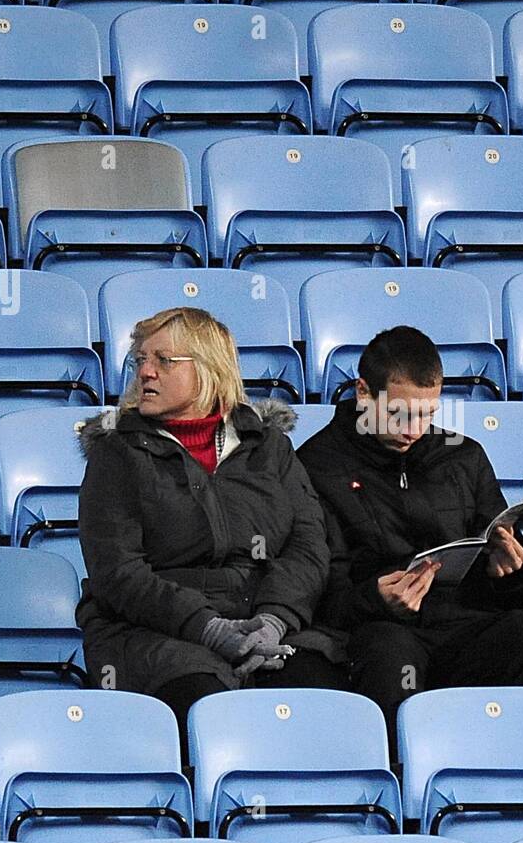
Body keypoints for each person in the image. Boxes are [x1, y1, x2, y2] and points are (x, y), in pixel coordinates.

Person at [75, 307, 347, 760]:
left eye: (164, 360)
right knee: (214, 714)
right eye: (140, 359)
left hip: (264, 620)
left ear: (208, 368)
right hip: (154, 632)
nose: (145, 371)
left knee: (314, 698)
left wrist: (275, 619)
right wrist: (209, 627)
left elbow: (308, 547)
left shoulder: (269, 447)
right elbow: (117, 573)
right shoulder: (117, 455)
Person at [298, 326, 523, 745]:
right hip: (377, 627)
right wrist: (375, 599)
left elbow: (501, 573)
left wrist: (507, 573)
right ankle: (404, 787)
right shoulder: (316, 467)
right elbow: (318, 589)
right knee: (389, 655)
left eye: (426, 414)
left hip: (464, 620)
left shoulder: (463, 455)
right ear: (363, 393)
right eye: (398, 414)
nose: (413, 428)